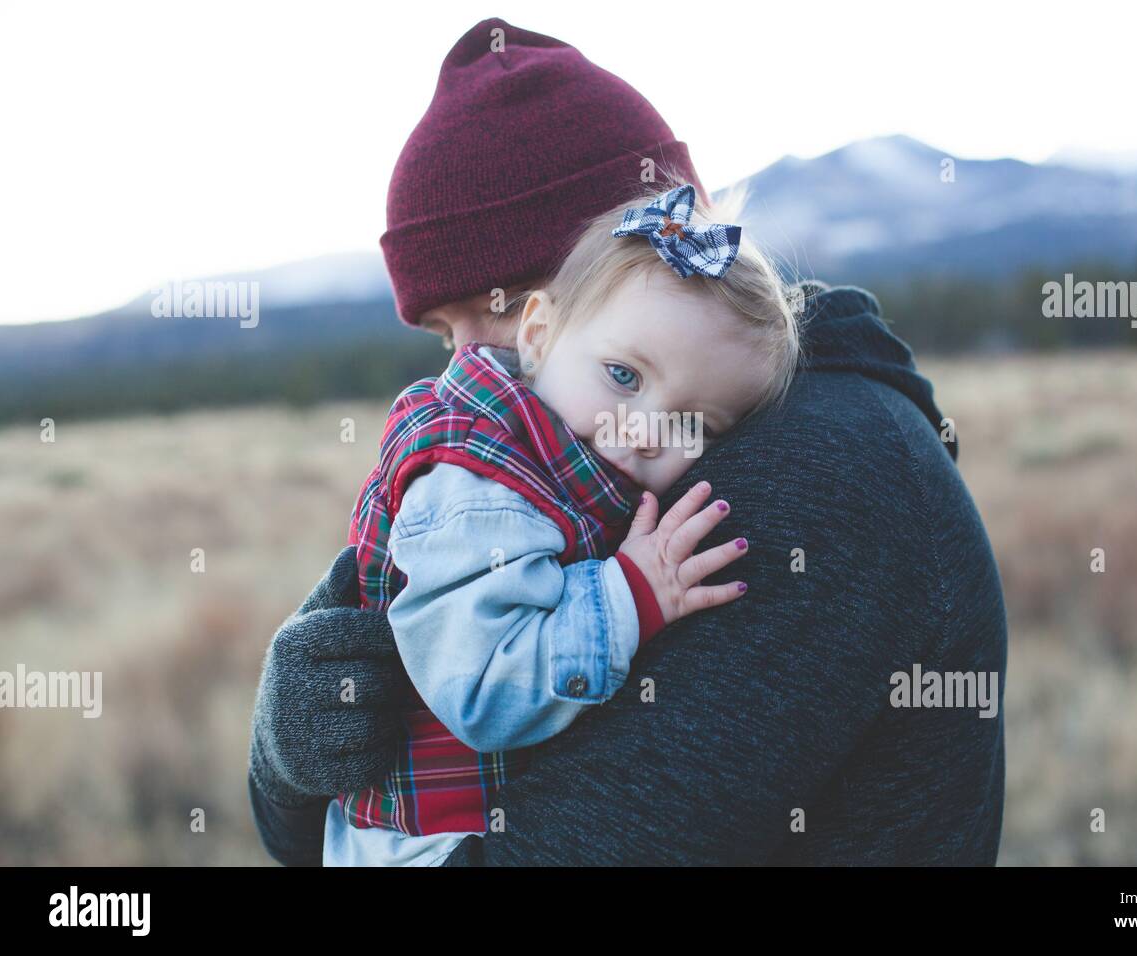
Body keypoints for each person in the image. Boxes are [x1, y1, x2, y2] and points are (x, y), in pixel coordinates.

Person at [248, 16, 1008, 865]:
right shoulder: (563, 460)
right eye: (441, 334)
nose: (468, 367)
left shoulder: (816, 476)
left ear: (640, 256)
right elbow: (312, 831)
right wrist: (289, 752)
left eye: (497, 309)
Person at [327, 180, 800, 865]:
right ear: (540, 335)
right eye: (623, 376)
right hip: (425, 847)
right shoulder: (478, 485)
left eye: (690, 423)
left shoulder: (570, 455)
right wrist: (630, 595)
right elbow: (483, 689)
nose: (640, 432)